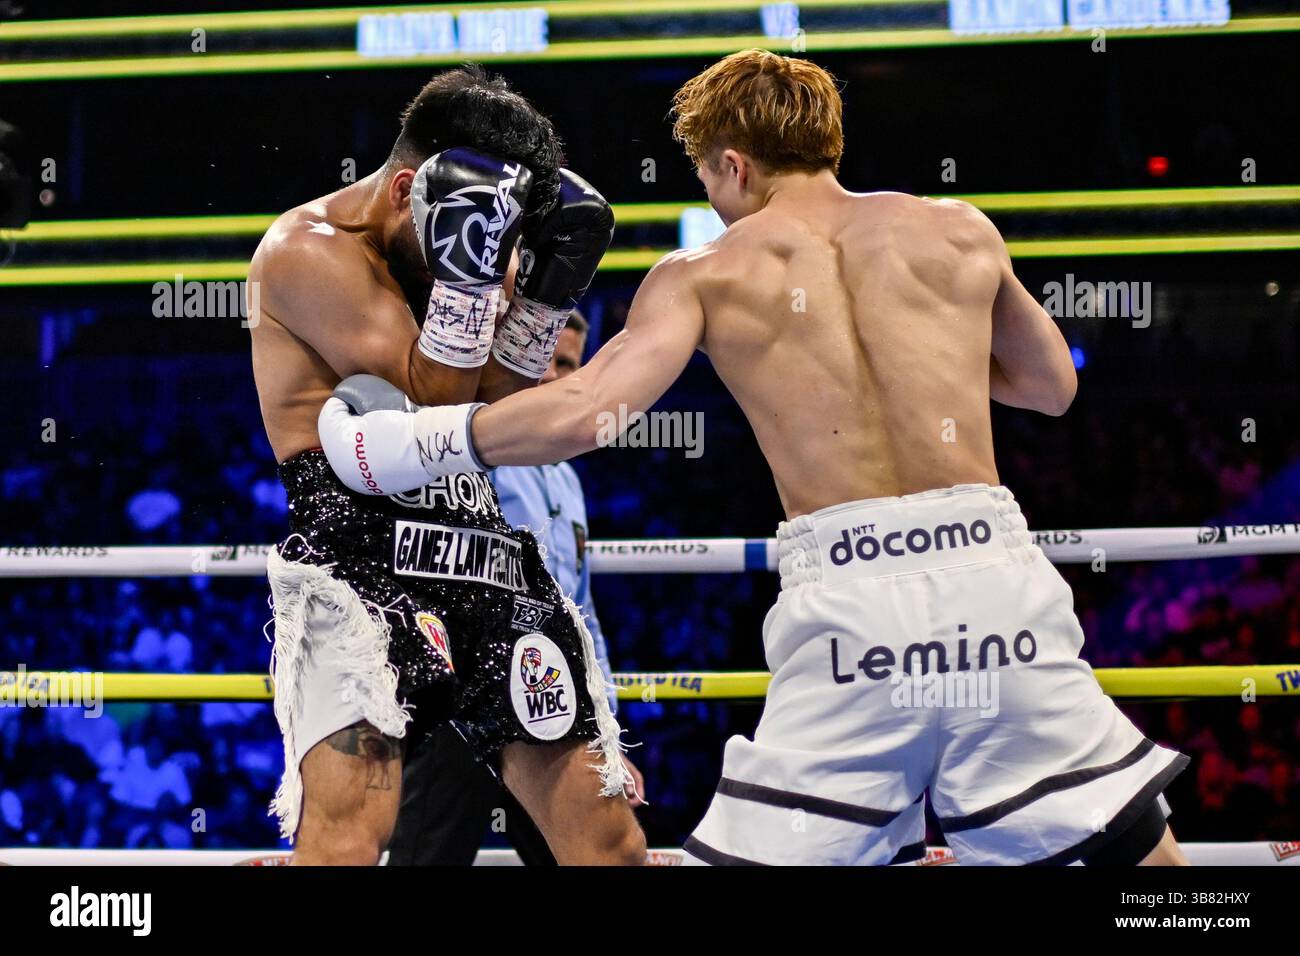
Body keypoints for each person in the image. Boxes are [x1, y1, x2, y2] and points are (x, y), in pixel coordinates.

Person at [318, 50, 1194, 866]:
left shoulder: (708, 272)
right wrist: (929, 358)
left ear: (733, 165)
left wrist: (417, 442)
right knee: (1131, 839)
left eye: (706, 178)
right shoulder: (958, 231)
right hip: (996, 580)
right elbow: (1050, 387)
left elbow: (587, 415)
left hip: (853, 605)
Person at [248, 64, 645, 865]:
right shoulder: (306, 252)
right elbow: (429, 396)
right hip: (362, 563)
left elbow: (490, 396)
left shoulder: (457, 235)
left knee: (608, 842)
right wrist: (471, 278)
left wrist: (541, 297)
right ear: (406, 191)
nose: (479, 265)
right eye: (466, 240)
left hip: (484, 548)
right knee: (351, 840)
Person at [389, 312, 645, 865]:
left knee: (588, 850)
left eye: (570, 366)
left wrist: (607, 733)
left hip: (546, 695)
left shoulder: (569, 478)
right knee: (427, 855)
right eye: (546, 360)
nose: (554, 378)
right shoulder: (468, 451)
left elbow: (584, 612)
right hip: (464, 692)